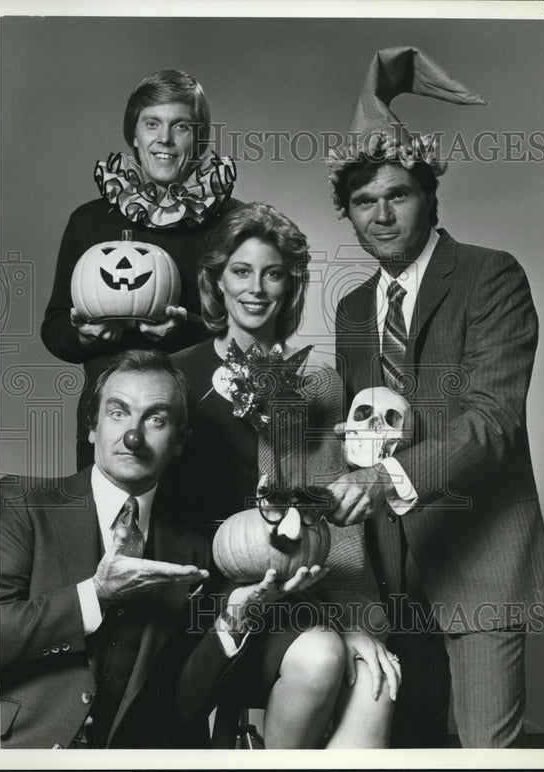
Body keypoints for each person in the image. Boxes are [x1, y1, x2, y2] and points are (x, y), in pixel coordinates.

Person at [326, 47, 544, 747]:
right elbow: (364, 425)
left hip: (478, 560)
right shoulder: (356, 309)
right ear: (350, 214)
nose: (382, 216)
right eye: (364, 202)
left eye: (399, 194)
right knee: (409, 748)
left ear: (429, 195)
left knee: (487, 750)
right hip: (390, 575)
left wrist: (384, 477)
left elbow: (492, 423)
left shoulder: (491, 277)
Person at [0, 349, 323, 749]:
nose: (133, 434)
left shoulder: (197, 551)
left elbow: (181, 709)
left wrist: (235, 618)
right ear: (92, 428)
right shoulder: (23, 503)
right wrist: (94, 595)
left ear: (180, 440)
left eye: (156, 419)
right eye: (118, 413)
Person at [170, 202, 401, 749]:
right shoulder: (176, 377)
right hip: (202, 592)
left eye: (273, 274)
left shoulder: (318, 385)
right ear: (216, 282)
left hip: (299, 585)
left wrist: (356, 621)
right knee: (324, 658)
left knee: (375, 677)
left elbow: (336, 516)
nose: (256, 288)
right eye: (241, 271)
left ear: (289, 286)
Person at [41, 69, 241, 470]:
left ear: (198, 139)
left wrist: (189, 332)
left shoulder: (235, 224)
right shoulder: (89, 221)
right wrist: (85, 336)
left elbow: (256, 335)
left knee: (204, 533)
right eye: (152, 124)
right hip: (111, 422)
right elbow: (54, 329)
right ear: (134, 134)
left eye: (180, 126)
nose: (164, 139)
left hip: (207, 422)